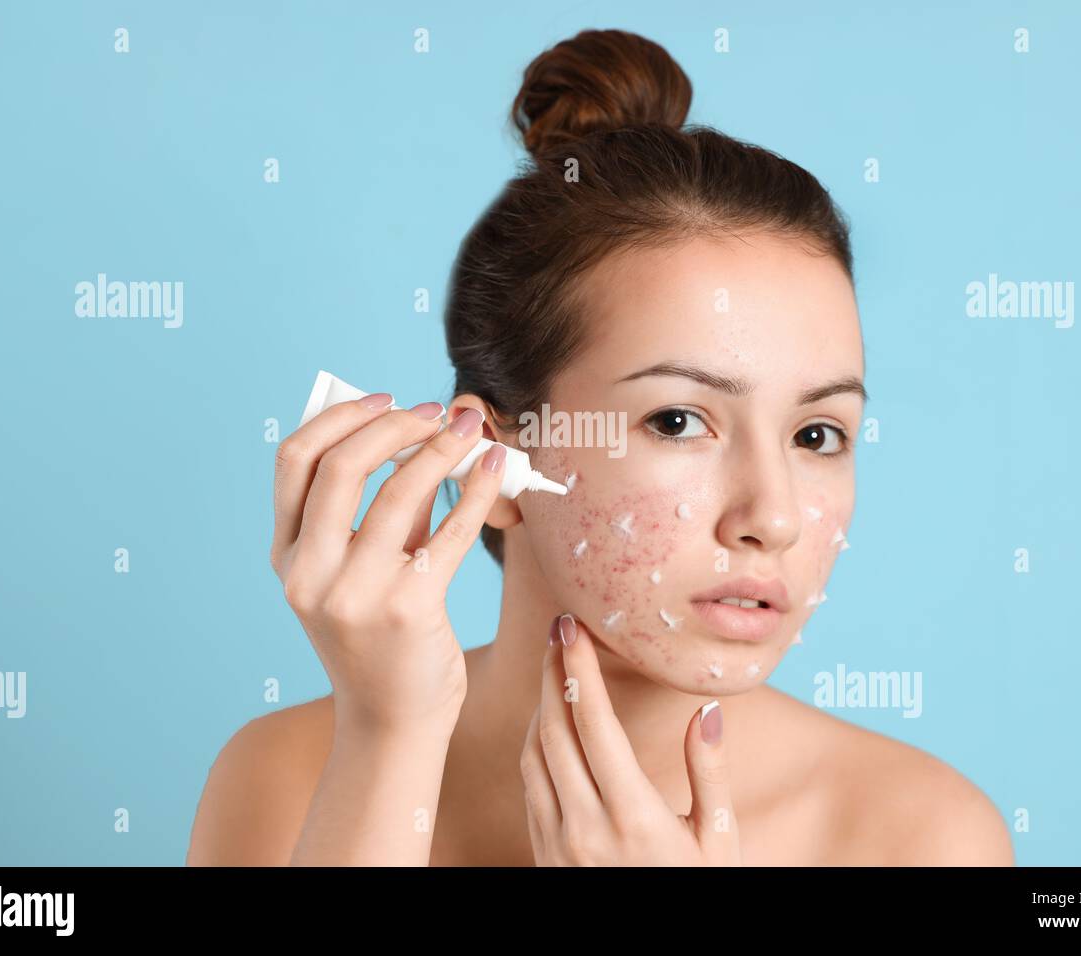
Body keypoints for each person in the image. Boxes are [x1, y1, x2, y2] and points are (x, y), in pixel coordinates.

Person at [187, 28, 1014, 866]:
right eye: (678, 421)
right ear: (492, 463)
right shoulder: (287, 779)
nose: (775, 517)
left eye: (816, 434)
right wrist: (385, 739)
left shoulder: (918, 836)